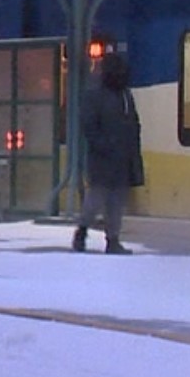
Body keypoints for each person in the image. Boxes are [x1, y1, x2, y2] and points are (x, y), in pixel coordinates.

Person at [73, 51, 144, 254]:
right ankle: (83, 230)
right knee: (95, 199)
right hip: (103, 158)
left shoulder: (124, 95)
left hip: (122, 158)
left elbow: (133, 124)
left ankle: (113, 239)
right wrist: (104, 145)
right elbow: (89, 126)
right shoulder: (96, 95)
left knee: (117, 202)